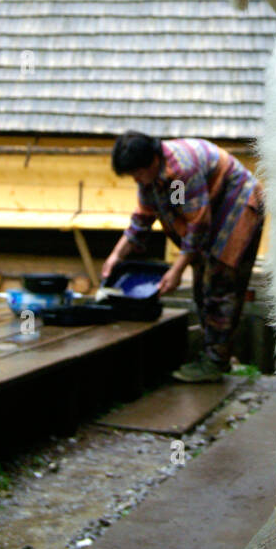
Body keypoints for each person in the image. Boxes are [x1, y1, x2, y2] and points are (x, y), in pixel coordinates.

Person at [103, 131, 265, 382]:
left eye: (137, 173)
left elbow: (196, 224)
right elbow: (142, 220)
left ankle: (215, 362)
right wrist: (115, 256)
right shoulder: (149, 179)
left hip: (237, 205)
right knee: (201, 284)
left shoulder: (179, 174)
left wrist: (176, 270)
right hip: (209, 211)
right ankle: (217, 355)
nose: (135, 179)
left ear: (152, 162)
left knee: (220, 282)